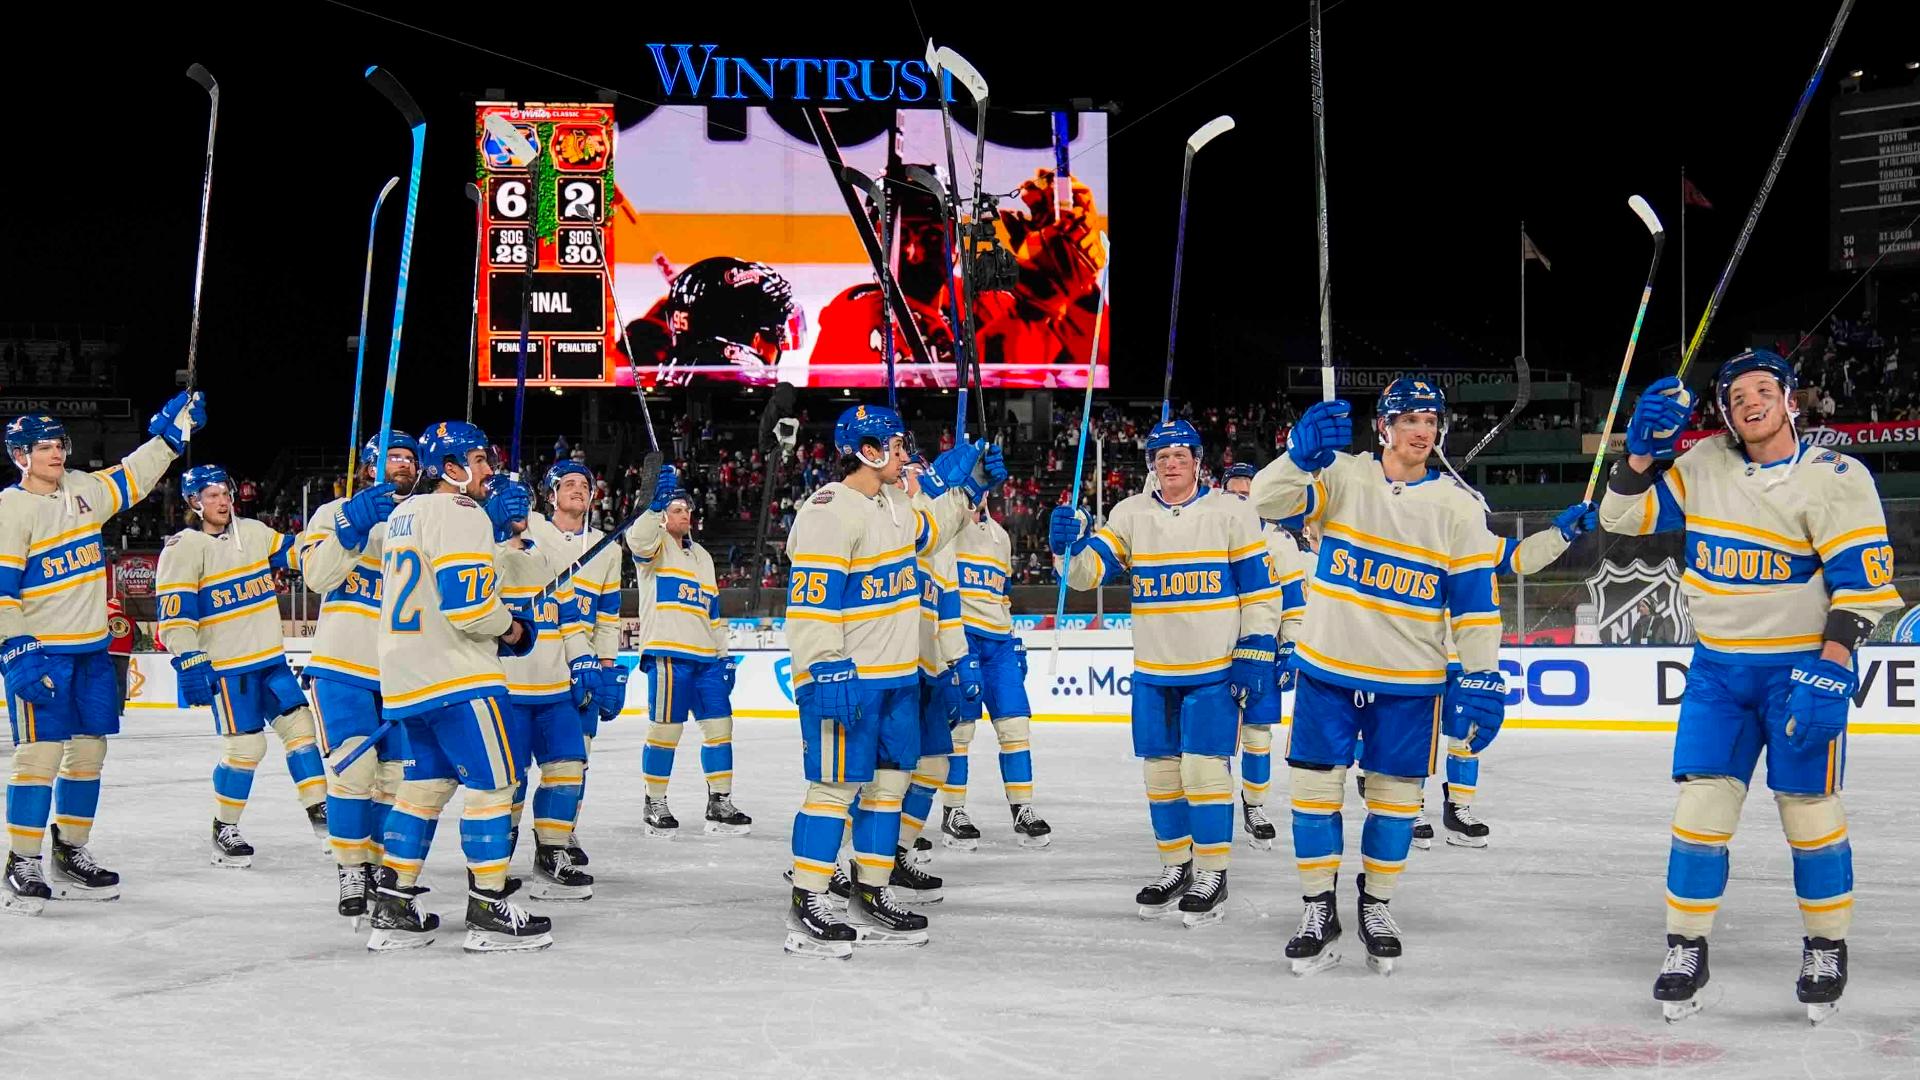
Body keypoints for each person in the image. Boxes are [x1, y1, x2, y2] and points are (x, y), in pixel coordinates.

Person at [1598, 350, 1901, 1023]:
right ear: (1726, 414)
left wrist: (1833, 662)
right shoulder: (1703, 464)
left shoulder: (1837, 476)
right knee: (1699, 815)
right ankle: (1686, 946)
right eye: (1736, 396)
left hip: (1798, 669)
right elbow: (1621, 520)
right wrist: (1639, 456)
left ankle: (1826, 947)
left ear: (1791, 398)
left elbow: (1862, 583)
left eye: (1765, 389)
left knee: (1809, 811)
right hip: (1717, 672)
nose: (1751, 402)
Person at [1250, 379, 1507, 974]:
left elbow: (1474, 606)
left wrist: (1482, 675)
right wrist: (1299, 454)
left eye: (1431, 420)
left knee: (1395, 805)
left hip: (1410, 682)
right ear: (1384, 427)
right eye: (1410, 418)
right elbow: (1265, 501)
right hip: (1328, 671)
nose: (1423, 430)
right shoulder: (1341, 476)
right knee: (1314, 799)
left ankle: (1377, 903)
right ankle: (1319, 906)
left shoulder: (1459, 507)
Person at [780, 404, 1003, 958]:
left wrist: (969, 487)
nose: (905, 453)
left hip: (899, 678)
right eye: (896, 443)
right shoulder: (828, 510)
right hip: (847, 678)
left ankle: (870, 892)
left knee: (887, 791)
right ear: (869, 450)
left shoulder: (897, 504)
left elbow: (934, 531)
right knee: (833, 790)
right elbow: (811, 601)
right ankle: (808, 896)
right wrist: (824, 663)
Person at [1052, 419, 1281, 928]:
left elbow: (1262, 591)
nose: (1171, 463)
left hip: (1213, 670)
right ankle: (1176, 865)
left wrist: (1257, 643)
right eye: (1162, 456)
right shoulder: (1130, 513)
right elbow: (1088, 576)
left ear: (1199, 461)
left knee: (1203, 774)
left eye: (1181, 454)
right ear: (1151, 464)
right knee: (1160, 777)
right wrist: (1067, 545)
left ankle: (1212, 872)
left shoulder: (1230, 511)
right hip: (1154, 671)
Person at [1, 392, 204, 914]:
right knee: (39, 758)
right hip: (43, 652)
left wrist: (168, 439)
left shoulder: (83, 490)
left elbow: (132, 477)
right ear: (19, 455)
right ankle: (22, 859)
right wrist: (16, 648)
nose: (55, 453)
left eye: (59, 444)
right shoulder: (10, 507)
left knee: (89, 755)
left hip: (92, 652)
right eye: (43, 447)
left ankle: (70, 850)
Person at [366, 421, 550, 953]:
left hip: (406, 678)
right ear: (451, 467)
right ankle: (489, 906)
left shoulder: (405, 512)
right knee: (496, 786)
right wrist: (513, 628)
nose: (489, 471)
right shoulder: (461, 512)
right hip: (458, 673)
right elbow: (469, 607)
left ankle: (395, 906)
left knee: (423, 789)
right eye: (480, 459)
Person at [157, 464, 327, 867]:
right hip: (230, 669)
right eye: (210, 495)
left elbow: (300, 552)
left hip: (270, 660)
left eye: (225, 492)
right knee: (246, 747)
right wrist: (189, 655)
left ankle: (320, 809)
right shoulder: (182, 548)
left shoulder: (252, 532)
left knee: (301, 728)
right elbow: (175, 618)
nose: (221, 501)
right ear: (193, 503)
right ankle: (225, 825)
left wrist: (334, 536)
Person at [297, 431, 415, 920]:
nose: (403, 464)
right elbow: (316, 577)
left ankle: (377, 866)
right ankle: (350, 869)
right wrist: (350, 529)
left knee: (396, 782)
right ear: (369, 465)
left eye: (410, 458)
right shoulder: (333, 512)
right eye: (393, 456)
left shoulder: (422, 519)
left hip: (405, 671)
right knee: (353, 771)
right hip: (344, 663)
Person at [627, 467, 749, 838]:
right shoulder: (654, 544)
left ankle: (720, 801)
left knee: (720, 730)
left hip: (706, 660)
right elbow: (636, 539)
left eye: (687, 510)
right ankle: (655, 800)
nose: (684, 515)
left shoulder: (704, 558)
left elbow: (713, 612)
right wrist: (653, 507)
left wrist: (724, 655)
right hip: (668, 655)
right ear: (665, 515)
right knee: (665, 732)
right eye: (676, 509)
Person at [944, 496, 1051, 848]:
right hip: (961, 636)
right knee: (961, 730)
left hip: (999, 643)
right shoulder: (947, 524)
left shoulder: (1000, 537)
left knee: (1015, 726)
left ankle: (1023, 808)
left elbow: (1002, 595)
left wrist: (1013, 637)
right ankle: (953, 811)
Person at [1218, 461, 1308, 852]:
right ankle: (1215, 805)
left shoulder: (1279, 540)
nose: (1241, 499)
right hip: (1214, 652)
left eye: (1247, 493)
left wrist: (1290, 645)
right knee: (1214, 740)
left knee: (1257, 737)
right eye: (1234, 493)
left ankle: (1254, 807)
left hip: (1261, 652)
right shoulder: (1209, 531)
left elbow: (1294, 602)